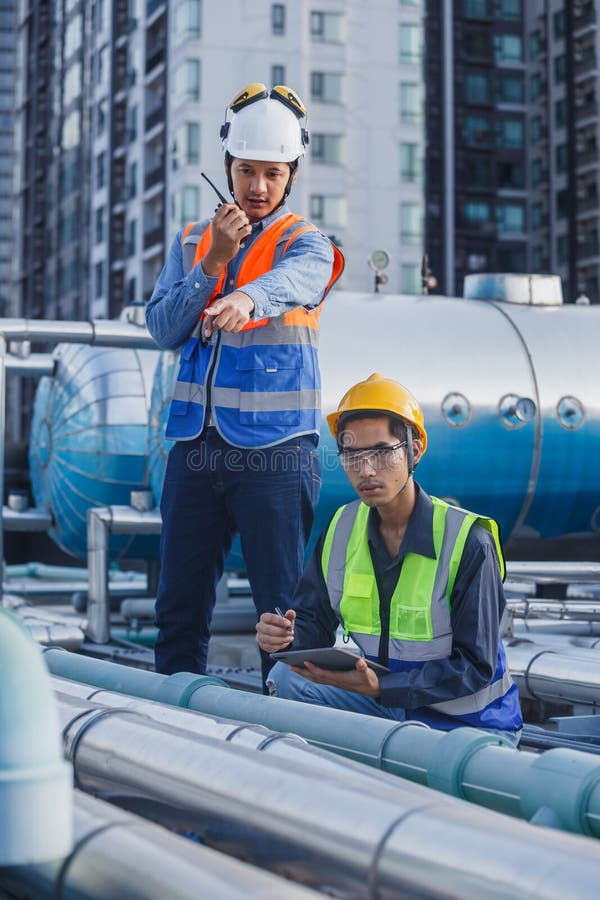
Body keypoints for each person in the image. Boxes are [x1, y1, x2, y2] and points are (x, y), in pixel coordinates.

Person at [146, 83, 344, 686]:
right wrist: (211, 266)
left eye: (273, 174)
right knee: (177, 607)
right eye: (247, 171)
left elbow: (297, 282)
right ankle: (169, 722)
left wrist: (245, 296)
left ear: (292, 176)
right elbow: (163, 327)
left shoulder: (305, 243)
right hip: (196, 448)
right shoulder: (191, 242)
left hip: (276, 454)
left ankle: (282, 731)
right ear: (227, 167)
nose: (258, 186)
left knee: (281, 613)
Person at [257, 374, 523, 741]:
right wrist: (285, 637)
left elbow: (474, 667)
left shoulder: (468, 541)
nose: (366, 470)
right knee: (285, 678)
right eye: (352, 454)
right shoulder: (341, 529)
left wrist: (384, 688)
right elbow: (312, 624)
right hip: (385, 705)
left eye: (381, 453)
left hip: (468, 723)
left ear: (414, 451)